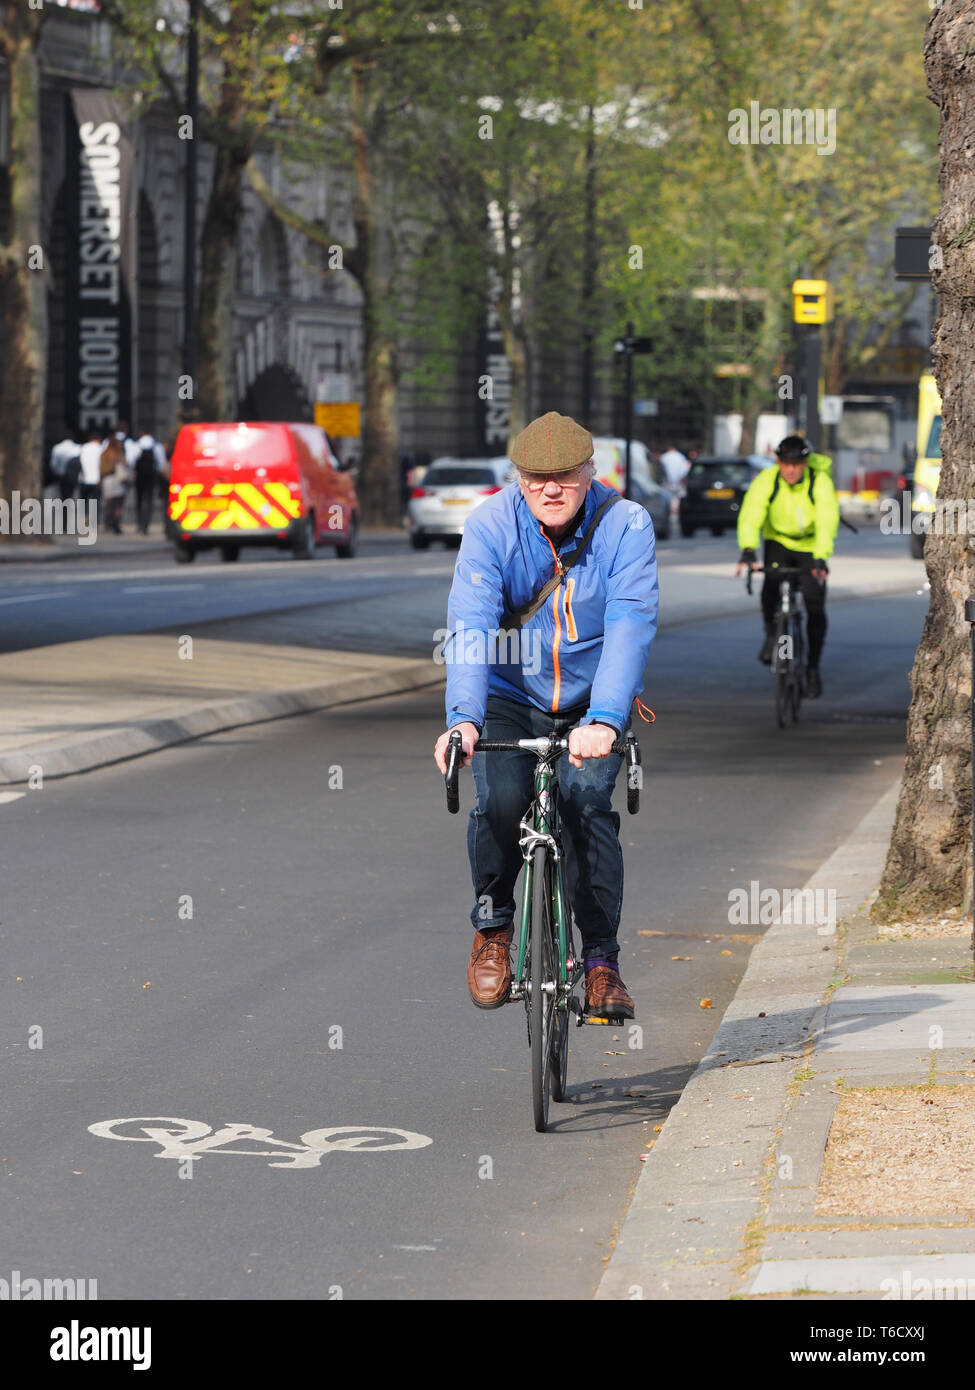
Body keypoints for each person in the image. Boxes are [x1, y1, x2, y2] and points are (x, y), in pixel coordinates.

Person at [433, 411, 658, 1020]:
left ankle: (603, 962)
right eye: (535, 478)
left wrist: (607, 719)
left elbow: (629, 626)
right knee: (502, 803)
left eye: (564, 476)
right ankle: (495, 927)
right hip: (510, 697)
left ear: (590, 473)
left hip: (592, 702)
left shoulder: (626, 523)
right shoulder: (489, 524)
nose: (550, 489)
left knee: (586, 805)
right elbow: (471, 624)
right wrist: (464, 718)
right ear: (519, 479)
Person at [735, 434, 840, 698]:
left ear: (805, 464)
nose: (790, 470)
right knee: (770, 588)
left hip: (810, 546)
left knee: (815, 606)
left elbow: (828, 519)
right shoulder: (767, 480)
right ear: (778, 463)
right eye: (785, 464)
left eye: (796, 465)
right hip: (778, 542)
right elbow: (751, 513)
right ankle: (772, 636)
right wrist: (748, 547)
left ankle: (813, 669)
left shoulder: (820, 481)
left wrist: (821, 556)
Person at [134, 431, 167, 533]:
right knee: (149, 500)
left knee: (139, 500)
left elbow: (131, 460)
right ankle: (146, 525)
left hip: (139, 476)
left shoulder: (137, 445)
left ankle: (139, 523)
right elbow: (161, 463)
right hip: (151, 476)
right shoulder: (157, 446)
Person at [49, 430, 82, 502]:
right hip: (73, 476)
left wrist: (57, 473)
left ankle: (64, 509)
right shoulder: (77, 448)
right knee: (71, 494)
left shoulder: (57, 448)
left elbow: (53, 464)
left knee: (62, 495)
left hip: (61, 475)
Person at [78, 430, 105, 512]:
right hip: (97, 481)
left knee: (83, 504)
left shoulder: (83, 448)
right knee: (95, 504)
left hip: (84, 480)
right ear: (100, 439)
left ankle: (84, 520)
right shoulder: (102, 449)